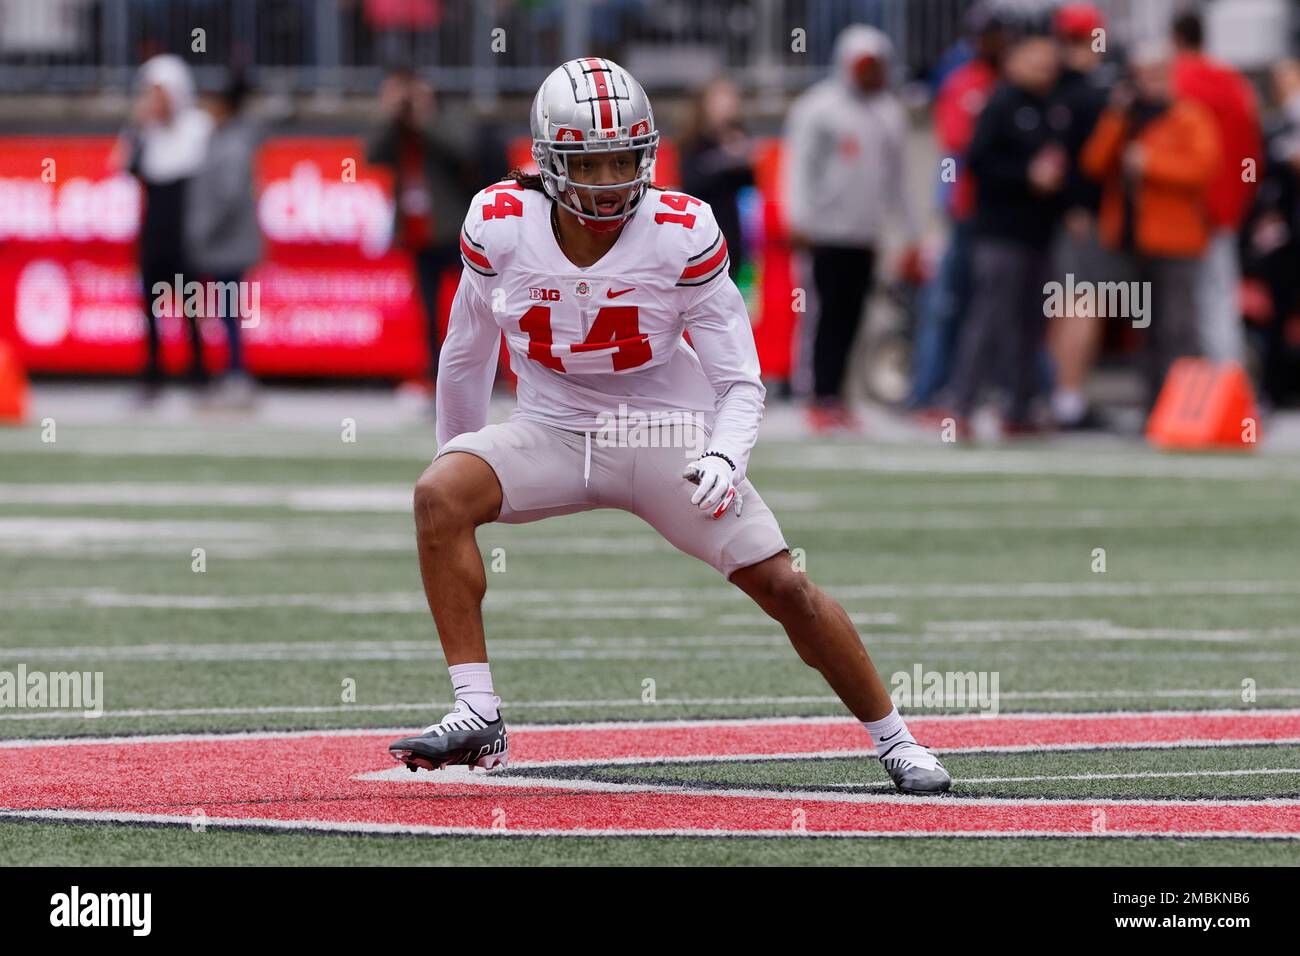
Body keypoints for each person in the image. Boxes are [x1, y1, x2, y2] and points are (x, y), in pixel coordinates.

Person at [386, 58, 951, 795]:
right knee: (437, 494)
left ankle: (897, 739)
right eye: (592, 163)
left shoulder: (680, 230)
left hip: (665, 435)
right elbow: (466, 354)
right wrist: (457, 458)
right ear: (551, 162)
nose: (613, 178)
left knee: (787, 587)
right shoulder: (498, 223)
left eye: (626, 159)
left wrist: (725, 453)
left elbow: (740, 378)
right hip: (552, 429)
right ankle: (477, 710)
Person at [783, 25, 921, 432]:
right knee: (821, 316)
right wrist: (798, 218)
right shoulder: (819, 108)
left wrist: (911, 233)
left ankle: (837, 395)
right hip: (824, 234)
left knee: (853, 317)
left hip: (865, 234)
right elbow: (799, 166)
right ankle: (814, 393)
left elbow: (899, 181)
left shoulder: (889, 113)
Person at [1080, 41, 1219, 409]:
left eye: (1157, 75)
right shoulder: (1127, 119)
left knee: (1179, 327)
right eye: (1144, 76)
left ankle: (1187, 407)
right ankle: (1153, 406)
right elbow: (1093, 163)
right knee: (1143, 329)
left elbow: (1203, 170)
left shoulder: (1189, 116)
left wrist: (1151, 163)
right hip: (1132, 242)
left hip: (1177, 242)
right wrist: (1115, 116)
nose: (1151, 83)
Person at [944, 35, 1068, 439]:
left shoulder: (1052, 107)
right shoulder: (1001, 104)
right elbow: (977, 161)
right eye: (1036, 59)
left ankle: (1018, 407)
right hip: (999, 233)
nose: (1044, 68)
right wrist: (1027, 175)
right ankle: (962, 405)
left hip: (1038, 234)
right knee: (990, 317)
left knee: (1030, 323)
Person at [908, 5, 1007, 411]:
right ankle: (930, 392)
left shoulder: (1008, 80)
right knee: (948, 302)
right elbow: (956, 145)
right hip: (964, 207)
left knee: (993, 305)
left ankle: (985, 391)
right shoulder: (962, 79)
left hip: (998, 212)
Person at [366, 67, 480, 394]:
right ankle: (435, 375)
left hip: (453, 232)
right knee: (427, 312)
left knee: (474, 307)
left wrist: (425, 116)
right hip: (418, 234)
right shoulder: (397, 131)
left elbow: (464, 148)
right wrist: (389, 114)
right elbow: (371, 154)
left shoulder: (447, 117)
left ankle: (485, 374)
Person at [114, 54, 212, 400]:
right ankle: (153, 371)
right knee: (151, 304)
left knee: (190, 304)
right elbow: (128, 169)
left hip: (184, 230)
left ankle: (198, 370)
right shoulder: (144, 132)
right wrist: (139, 129)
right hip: (154, 229)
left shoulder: (197, 128)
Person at [1171, 11, 1262, 365]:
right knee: (1220, 298)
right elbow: (1252, 153)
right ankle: (1229, 381)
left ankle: (1196, 389)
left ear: (1176, 39)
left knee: (1179, 302)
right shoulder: (1234, 84)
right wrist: (1240, 201)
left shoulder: (1176, 81)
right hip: (1226, 209)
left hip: (1181, 209)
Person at [185, 71, 262, 406]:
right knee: (224, 312)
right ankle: (231, 373)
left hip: (228, 245)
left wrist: (200, 231)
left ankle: (235, 375)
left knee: (229, 313)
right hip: (224, 243)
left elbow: (227, 196)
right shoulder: (222, 138)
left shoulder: (232, 141)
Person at [679, 77, 754, 282]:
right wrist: (724, 159)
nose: (728, 104)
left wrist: (740, 158)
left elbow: (750, 183)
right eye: (721, 98)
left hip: (733, 236)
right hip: (700, 238)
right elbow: (692, 184)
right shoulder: (693, 141)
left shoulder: (737, 137)